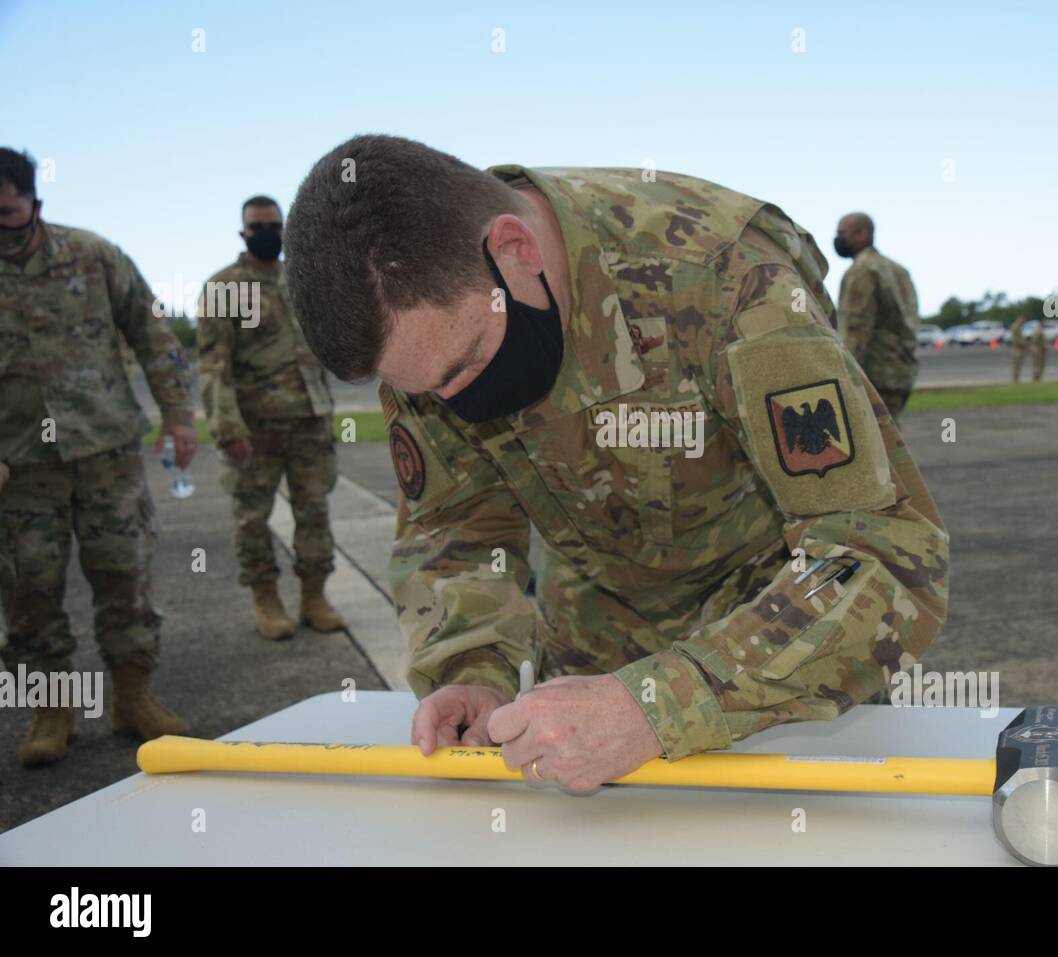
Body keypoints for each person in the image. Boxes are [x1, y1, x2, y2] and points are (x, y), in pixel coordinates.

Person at [283, 135, 950, 793]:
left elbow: (880, 554)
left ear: (516, 250)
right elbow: (454, 528)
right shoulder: (423, 331)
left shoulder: (729, 274)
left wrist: (660, 704)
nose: (453, 404)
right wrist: (472, 666)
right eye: (423, 392)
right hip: (592, 628)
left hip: (777, 631)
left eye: (470, 363)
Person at [0, 147, 192, 767]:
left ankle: (134, 697)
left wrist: (179, 415)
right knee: (30, 594)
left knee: (125, 578)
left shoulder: (93, 256)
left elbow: (152, 332)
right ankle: (52, 710)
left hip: (106, 452)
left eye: (7, 212)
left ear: (34, 204)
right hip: (20, 467)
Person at [197, 196, 344, 639]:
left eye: (275, 225)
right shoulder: (225, 288)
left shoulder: (304, 281)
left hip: (310, 421)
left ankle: (314, 596)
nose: (267, 233)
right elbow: (213, 366)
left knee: (314, 511)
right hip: (255, 427)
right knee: (252, 518)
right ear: (242, 231)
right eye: (257, 226)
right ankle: (266, 599)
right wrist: (227, 428)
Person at [832, 213, 919, 420]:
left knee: (877, 444)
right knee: (890, 437)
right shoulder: (897, 269)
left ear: (863, 234)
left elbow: (855, 329)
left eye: (842, 233)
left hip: (875, 374)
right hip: (900, 371)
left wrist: (843, 375)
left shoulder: (862, 271)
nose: (837, 239)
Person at [1009, 314, 1028, 383]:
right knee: (1016, 365)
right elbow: (1017, 340)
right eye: (1023, 322)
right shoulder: (1016, 328)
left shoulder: (1017, 327)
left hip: (1019, 348)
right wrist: (1025, 344)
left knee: (1018, 365)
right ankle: (1015, 379)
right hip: (1017, 348)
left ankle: (1016, 379)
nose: (1023, 323)